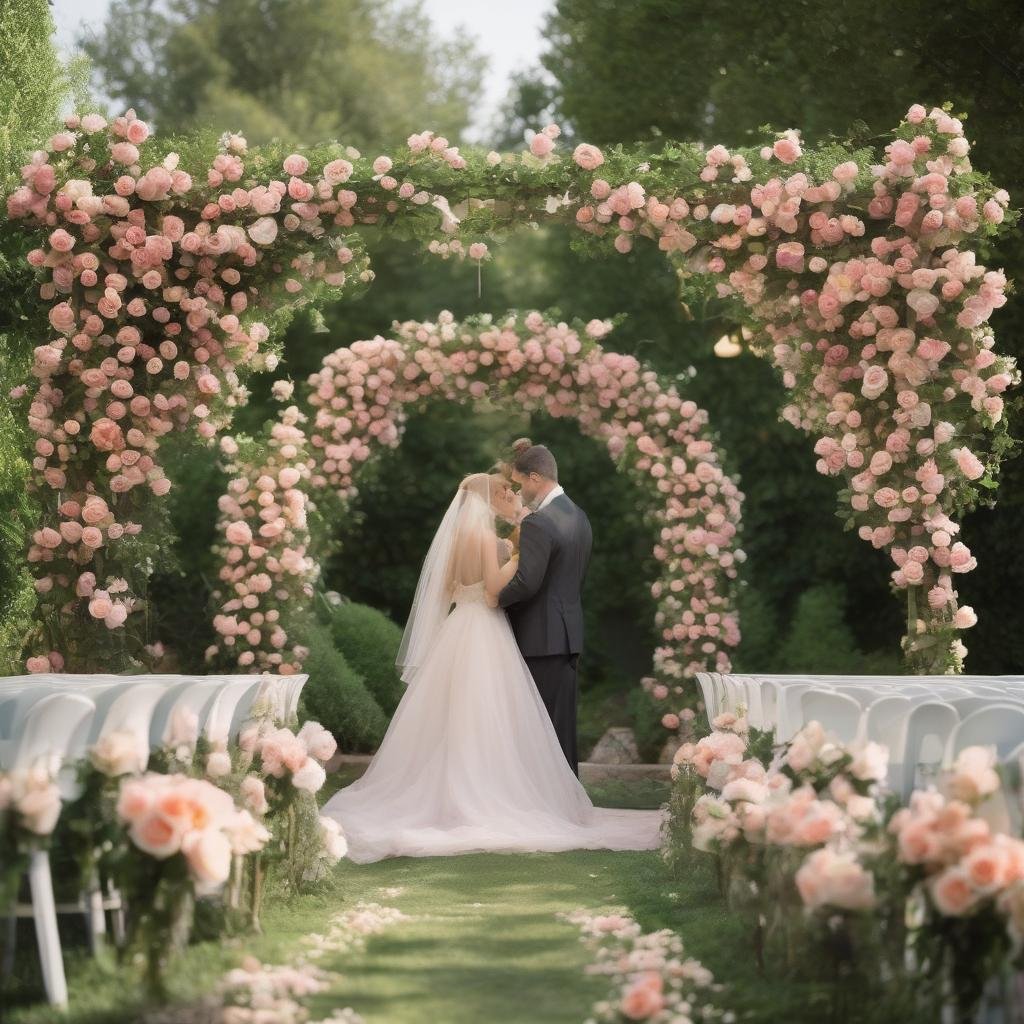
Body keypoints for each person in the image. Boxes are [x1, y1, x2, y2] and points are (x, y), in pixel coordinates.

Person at [319, 470, 662, 863]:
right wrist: (515, 554)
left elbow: (447, 591)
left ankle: (443, 790)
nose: (508, 494)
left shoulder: (452, 542)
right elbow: (495, 592)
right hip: (484, 627)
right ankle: (482, 790)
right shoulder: (484, 538)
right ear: (487, 499)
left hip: (456, 627)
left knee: (449, 715)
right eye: (502, 491)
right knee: (487, 713)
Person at [498, 439, 590, 777]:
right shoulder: (578, 515)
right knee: (560, 729)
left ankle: (544, 808)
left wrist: (492, 599)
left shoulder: (540, 521)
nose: (520, 491)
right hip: (566, 636)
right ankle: (567, 805)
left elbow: (527, 582)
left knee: (537, 731)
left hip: (539, 637)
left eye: (521, 482)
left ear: (535, 477)